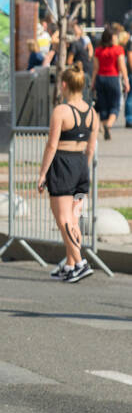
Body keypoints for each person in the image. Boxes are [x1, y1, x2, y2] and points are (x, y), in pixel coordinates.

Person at [38, 66, 97, 283]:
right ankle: (70, 265)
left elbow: (52, 145)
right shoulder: (93, 113)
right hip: (81, 165)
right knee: (73, 218)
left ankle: (80, 262)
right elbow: (91, 148)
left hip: (62, 165)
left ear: (64, 85)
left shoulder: (61, 111)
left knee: (63, 218)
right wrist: (83, 169)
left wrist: (43, 173)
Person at [91, 27, 128, 140]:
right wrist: (126, 80)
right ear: (111, 38)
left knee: (103, 104)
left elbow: (95, 68)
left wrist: (93, 82)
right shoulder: (118, 50)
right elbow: (122, 66)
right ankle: (109, 125)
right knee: (115, 104)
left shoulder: (98, 50)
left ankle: (104, 125)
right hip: (113, 78)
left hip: (101, 79)